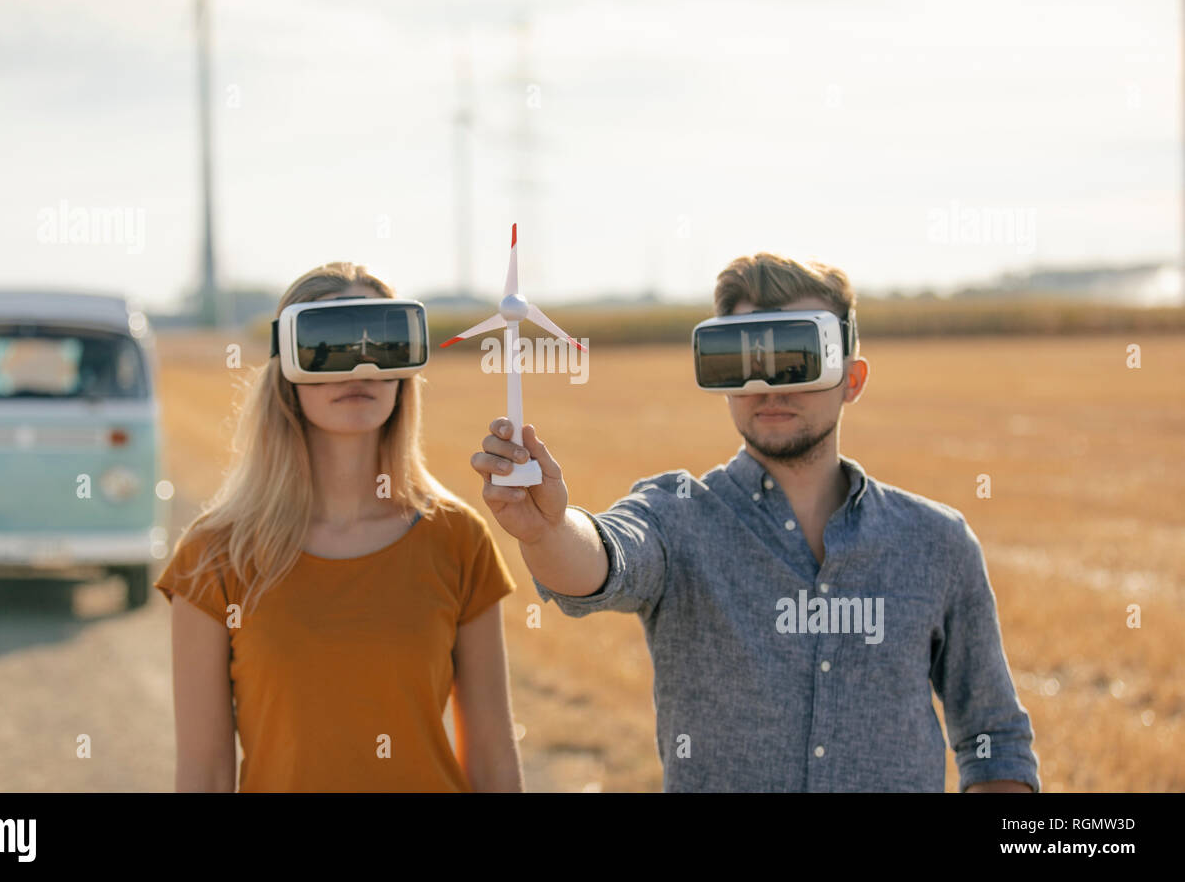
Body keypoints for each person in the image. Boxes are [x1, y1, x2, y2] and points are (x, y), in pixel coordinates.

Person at [471, 252, 1040, 792]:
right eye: (744, 358)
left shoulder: (936, 543)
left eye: (796, 355)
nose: (769, 383)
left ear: (853, 379)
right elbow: (601, 563)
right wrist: (546, 530)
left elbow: (993, 738)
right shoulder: (678, 516)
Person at [157, 262, 522, 792]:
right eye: (331, 343)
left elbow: (492, 754)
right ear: (286, 368)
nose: (362, 366)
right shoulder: (214, 555)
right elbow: (204, 774)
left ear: (405, 369)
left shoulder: (458, 539)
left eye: (383, 343)